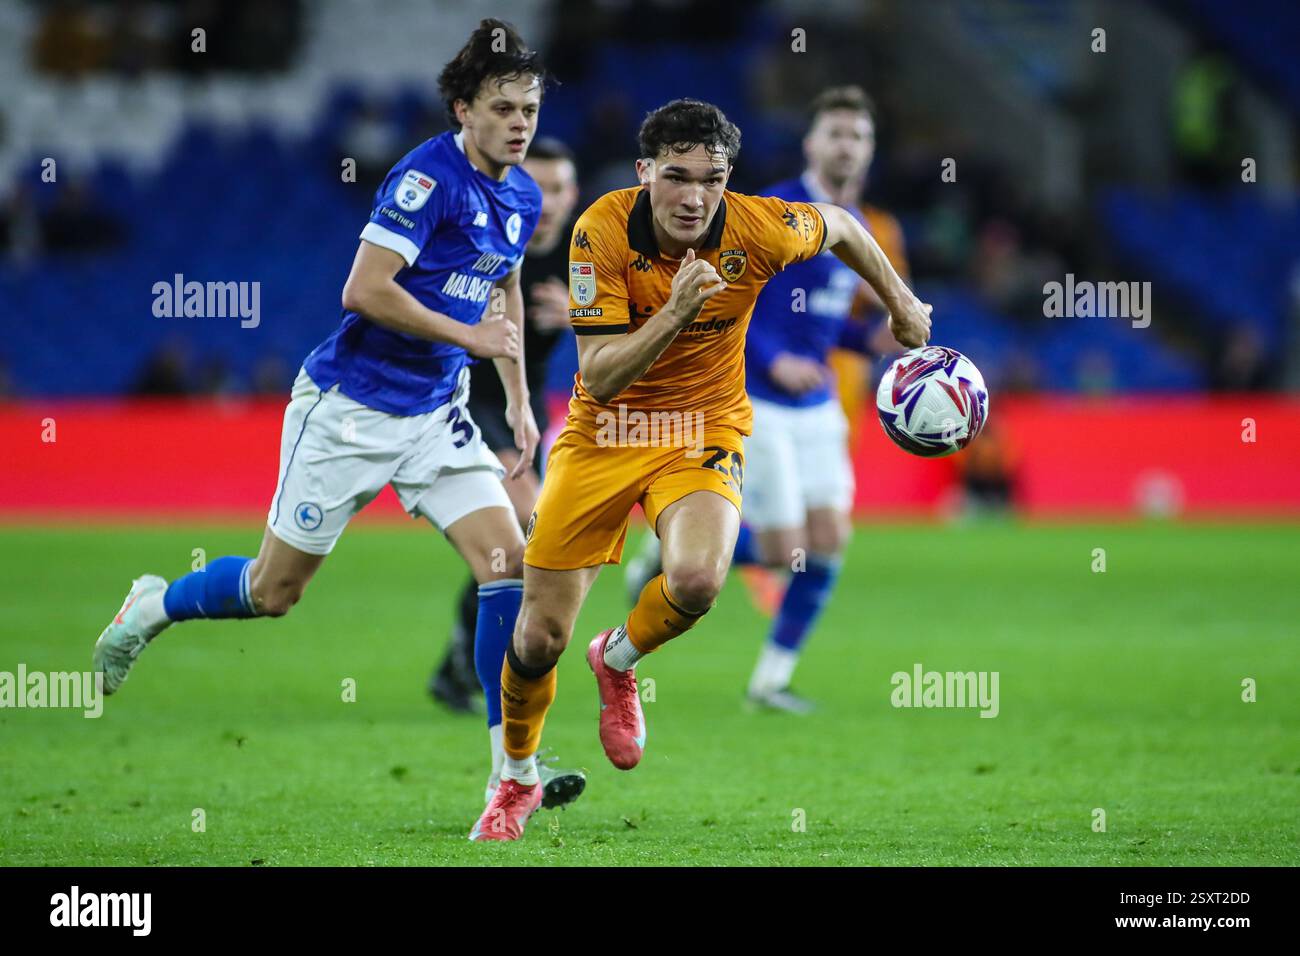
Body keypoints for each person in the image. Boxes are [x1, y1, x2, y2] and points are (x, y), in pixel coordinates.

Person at [91, 19, 583, 826]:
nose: (520, 122)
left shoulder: (524, 193)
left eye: (529, 107)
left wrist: (521, 396)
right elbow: (364, 288)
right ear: (463, 109)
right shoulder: (426, 181)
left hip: (436, 416)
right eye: (503, 107)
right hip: (349, 411)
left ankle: (512, 772)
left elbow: (503, 288)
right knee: (273, 590)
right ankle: (155, 604)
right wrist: (467, 338)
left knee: (509, 565)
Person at [470, 98, 931, 841]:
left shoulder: (762, 224)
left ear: (730, 179)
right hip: (604, 436)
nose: (693, 196)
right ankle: (515, 778)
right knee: (536, 641)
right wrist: (677, 312)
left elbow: (844, 225)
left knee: (696, 580)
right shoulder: (600, 230)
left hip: (702, 431)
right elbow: (602, 373)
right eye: (676, 176)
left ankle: (617, 659)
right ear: (645, 171)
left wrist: (901, 301)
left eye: (711, 179)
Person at [428, 138, 581, 716]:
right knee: (528, 521)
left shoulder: (582, 256)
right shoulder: (489, 236)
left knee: (513, 548)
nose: (546, 201)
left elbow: (631, 328)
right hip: (470, 399)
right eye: (535, 187)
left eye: (559, 188)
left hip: (526, 410)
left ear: (574, 195)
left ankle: (457, 662)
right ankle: (485, 665)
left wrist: (581, 313)